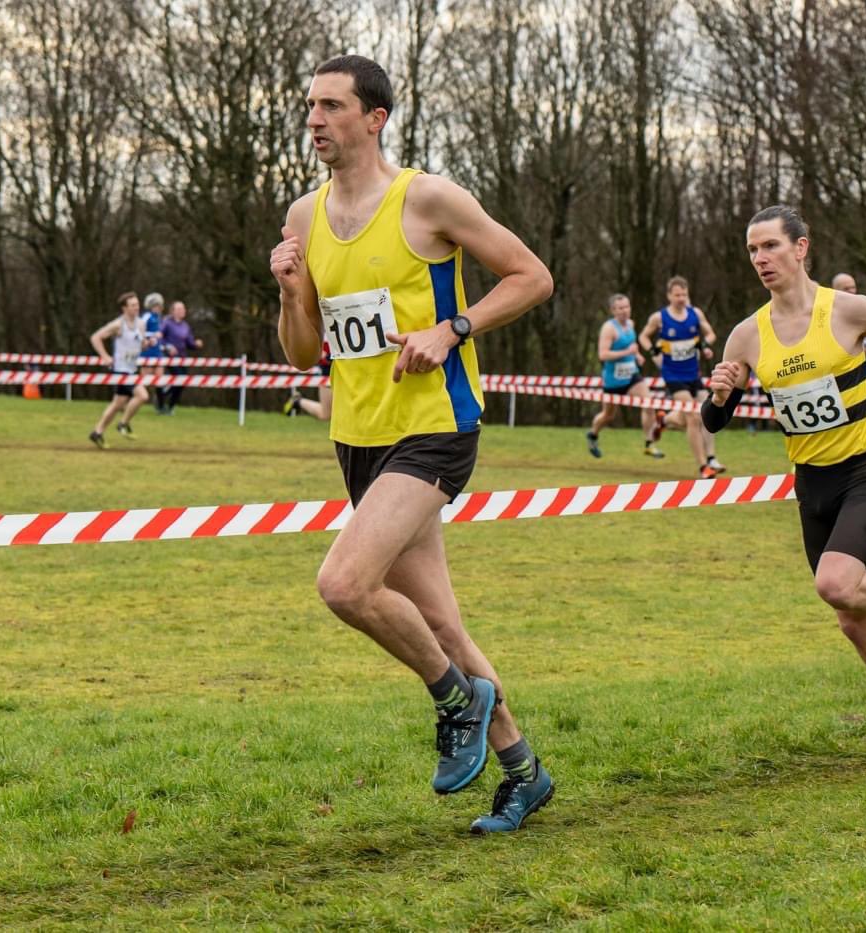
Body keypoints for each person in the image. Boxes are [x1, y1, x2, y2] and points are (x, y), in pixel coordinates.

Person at [270, 54, 555, 833]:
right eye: (310, 107)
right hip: (358, 436)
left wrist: (452, 327)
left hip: (434, 429)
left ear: (375, 117)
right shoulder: (303, 217)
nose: (316, 121)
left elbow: (532, 276)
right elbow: (302, 354)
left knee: (343, 584)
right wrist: (294, 293)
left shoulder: (426, 198)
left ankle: (455, 699)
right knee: (443, 620)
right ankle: (523, 770)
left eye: (331, 106)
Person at [703, 204, 866, 761]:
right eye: (752, 250)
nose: (760, 259)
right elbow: (714, 421)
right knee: (849, 620)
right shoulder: (746, 336)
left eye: (770, 246)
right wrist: (720, 395)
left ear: (800, 248)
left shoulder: (848, 311)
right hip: (811, 483)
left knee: (836, 584)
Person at [639, 276, 724, 477]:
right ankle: (704, 466)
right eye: (677, 295)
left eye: (684, 294)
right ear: (669, 296)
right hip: (673, 375)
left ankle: (665, 421)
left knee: (708, 413)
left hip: (694, 374)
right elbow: (643, 336)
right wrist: (653, 352)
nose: (681, 298)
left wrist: (704, 346)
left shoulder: (695, 314)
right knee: (693, 417)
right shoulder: (659, 318)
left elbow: (711, 334)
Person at [585, 293, 664, 459]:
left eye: (627, 307)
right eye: (620, 308)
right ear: (613, 310)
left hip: (632, 376)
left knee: (648, 403)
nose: (624, 311)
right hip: (613, 382)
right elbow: (603, 355)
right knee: (608, 416)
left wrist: (637, 356)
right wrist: (626, 352)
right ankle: (593, 434)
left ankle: (649, 443)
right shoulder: (609, 329)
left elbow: (632, 345)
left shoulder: (631, 324)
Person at [88, 291, 151, 447]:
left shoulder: (141, 324)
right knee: (142, 396)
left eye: (137, 304)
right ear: (124, 308)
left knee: (117, 403)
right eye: (133, 305)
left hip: (133, 368)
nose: (137, 308)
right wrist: (105, 357)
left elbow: (139, 346)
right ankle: (123, 424)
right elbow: (95, 337)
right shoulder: (118, 325)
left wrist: (146, 344)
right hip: (121, 370)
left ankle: (97, 432)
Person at [832, 274, 866, 411]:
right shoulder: (829, 315)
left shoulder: (862, 310)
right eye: (846, 288)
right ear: (835, 290)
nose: (851, 291)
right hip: (845, 377)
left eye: (853, 287)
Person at [158, 300, 203, 414]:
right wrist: (168, 347)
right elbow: (159, 337)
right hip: (170, 357)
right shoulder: (167, 323)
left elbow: (189, 343)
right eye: (179, 309)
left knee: (182, 383)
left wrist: (196, 344)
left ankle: (170, 405)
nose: (182, 311)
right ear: (172, 311)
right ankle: (162, 394)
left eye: (183, 309)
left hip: (183, 358)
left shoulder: (185, 326)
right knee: (179, 378)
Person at [285, 343, 334, 421]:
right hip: (328, 370)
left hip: (348, 367)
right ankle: (297, 401)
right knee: (326, 415)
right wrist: (323, 354)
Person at [138, 293, 168, 410]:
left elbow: (160, 335)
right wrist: (151, 336)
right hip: (148, 351)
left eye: (160, 305)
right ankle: (131, 400)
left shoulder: (159, 317)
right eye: (157, 305)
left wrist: (163, 344)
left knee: (160, 379)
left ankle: (161, 406)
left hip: (157, 351)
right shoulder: (146, 316)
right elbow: (139, 330)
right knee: (144, 379)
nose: (159, 308)